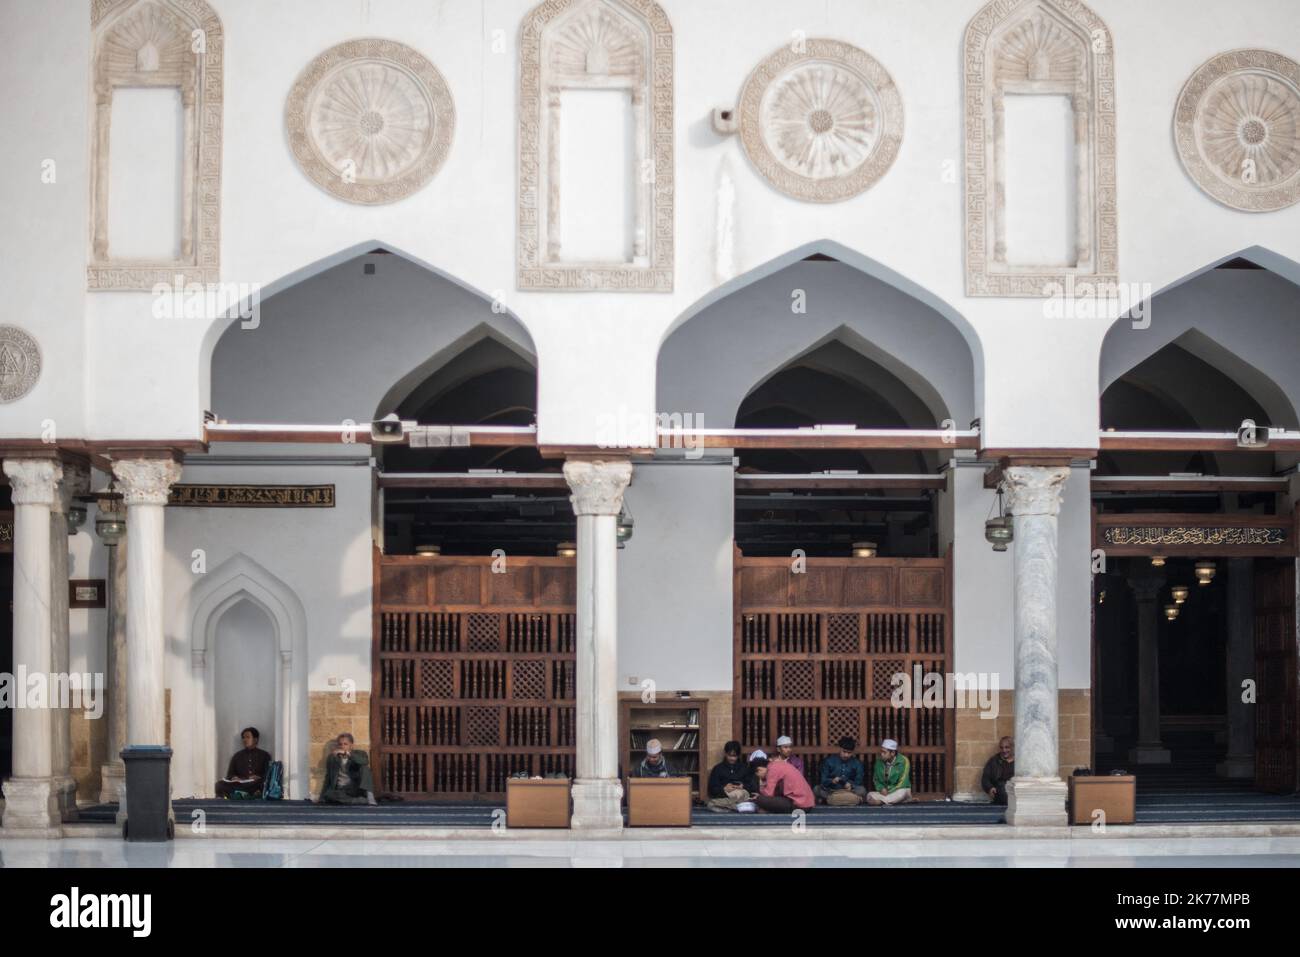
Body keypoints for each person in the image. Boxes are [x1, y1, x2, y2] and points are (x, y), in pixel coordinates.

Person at [319, 732, 377, 805]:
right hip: (341, 790)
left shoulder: (360, 753)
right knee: (328, 794)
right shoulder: (332, 757)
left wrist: (349, 755)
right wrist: (321, 798)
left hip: (355, 787)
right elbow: (328, 777)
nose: (342, 746)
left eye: (345, 744)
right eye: (340, 744)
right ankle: (357, 801)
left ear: (351, 745)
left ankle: (370, 797)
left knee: (365, 768)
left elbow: (364, 762)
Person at [216, 727, 271, 799]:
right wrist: (234, 778)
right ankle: (244, 794)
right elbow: (230, 774)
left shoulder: (265, 755)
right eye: (243, 738)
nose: (245, 740)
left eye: (248, 737)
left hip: (255, 784)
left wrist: (259, 777)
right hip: (240, 784)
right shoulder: (237, 756)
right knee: (219, 784)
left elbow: (268, 773)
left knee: (263, 784)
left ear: (255, 739)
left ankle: (247, 794)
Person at [750, 752, 814, 814]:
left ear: (759, 769)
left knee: (760, 800)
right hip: (806, 804)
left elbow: (768, 794)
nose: (760, 778)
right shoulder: (778, 764)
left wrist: (759, 795)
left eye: (758, 776)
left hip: (800, 806)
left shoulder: (772, 769)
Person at [816, 736, 867, 805]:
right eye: (844, 751)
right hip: (832, 790)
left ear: (852, 752)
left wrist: (850, 785)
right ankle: (855, 800)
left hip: (849, 790)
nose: (846, 755)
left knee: (862, 790)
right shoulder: (829, 761)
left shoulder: (857, 763)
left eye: (849, 753)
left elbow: (859, 780)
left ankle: (830, 800)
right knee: (817, 789)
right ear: (839, 749)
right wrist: (832, 781)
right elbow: (823, 780)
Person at [706, 740, 756, 811]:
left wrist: (742, 786)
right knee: (711, 804)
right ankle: (738, 807)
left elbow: (752, 786)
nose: (732, 758)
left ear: (738, 755)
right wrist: (724, 788)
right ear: (725, 754)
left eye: (734, 756)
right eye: (730, 755)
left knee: (743, 796)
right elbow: (712, 789)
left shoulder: (744, 768)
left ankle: (733, 807)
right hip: (726, 797)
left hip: (742, 796)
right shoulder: (718, 768)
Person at [866, 738, 912, 806]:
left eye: (884, 752)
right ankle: (893, 800)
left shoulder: (904, 761)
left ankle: (881, 802)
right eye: (881, 751)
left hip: (899, 789)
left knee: (902, 792)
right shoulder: (878, 761)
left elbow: (903, 782)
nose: (881, 754)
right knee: (869, 795)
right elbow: (876, 779)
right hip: (885, 791)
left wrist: (889, 790)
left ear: (892, 753)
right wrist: (881, 788)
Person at [981, 736, 1015, 806]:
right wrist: (990, 788)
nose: (1004, 750)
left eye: (1007, 747)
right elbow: (985, 778)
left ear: (1012, 747)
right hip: (1001, 789)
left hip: (1015, 788)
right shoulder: (994, 761)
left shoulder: (1019, 761)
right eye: (1002, 748)